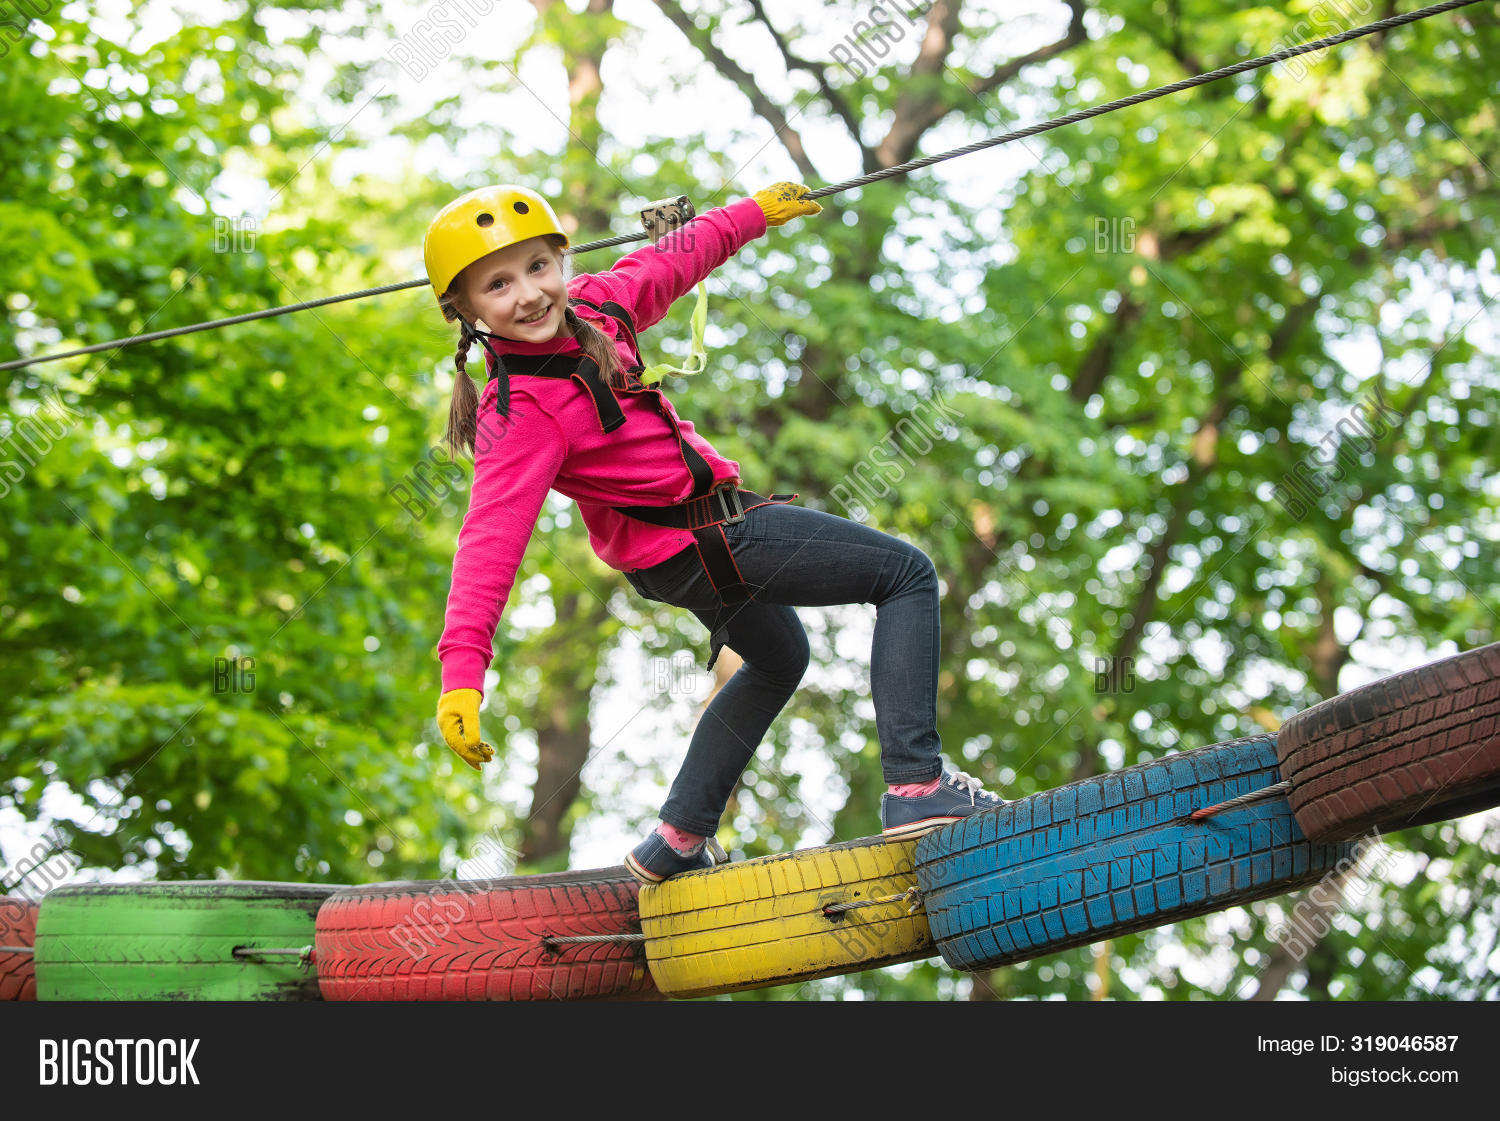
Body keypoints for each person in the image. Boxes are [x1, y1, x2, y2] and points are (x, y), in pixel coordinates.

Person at [425, 181, 1004, 885]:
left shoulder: (602, 306)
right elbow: (489, 540)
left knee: (778, 657)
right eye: (497, 285)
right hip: (703, 539)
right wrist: (462, 676)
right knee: (906, 574)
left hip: (677, 552)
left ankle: (677, 835)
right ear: (465, 310)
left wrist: (754, 212)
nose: (529, 295)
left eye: (539, 267)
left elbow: (677, 258)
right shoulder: (517, 414)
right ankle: (916, 785)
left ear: (560, 260)